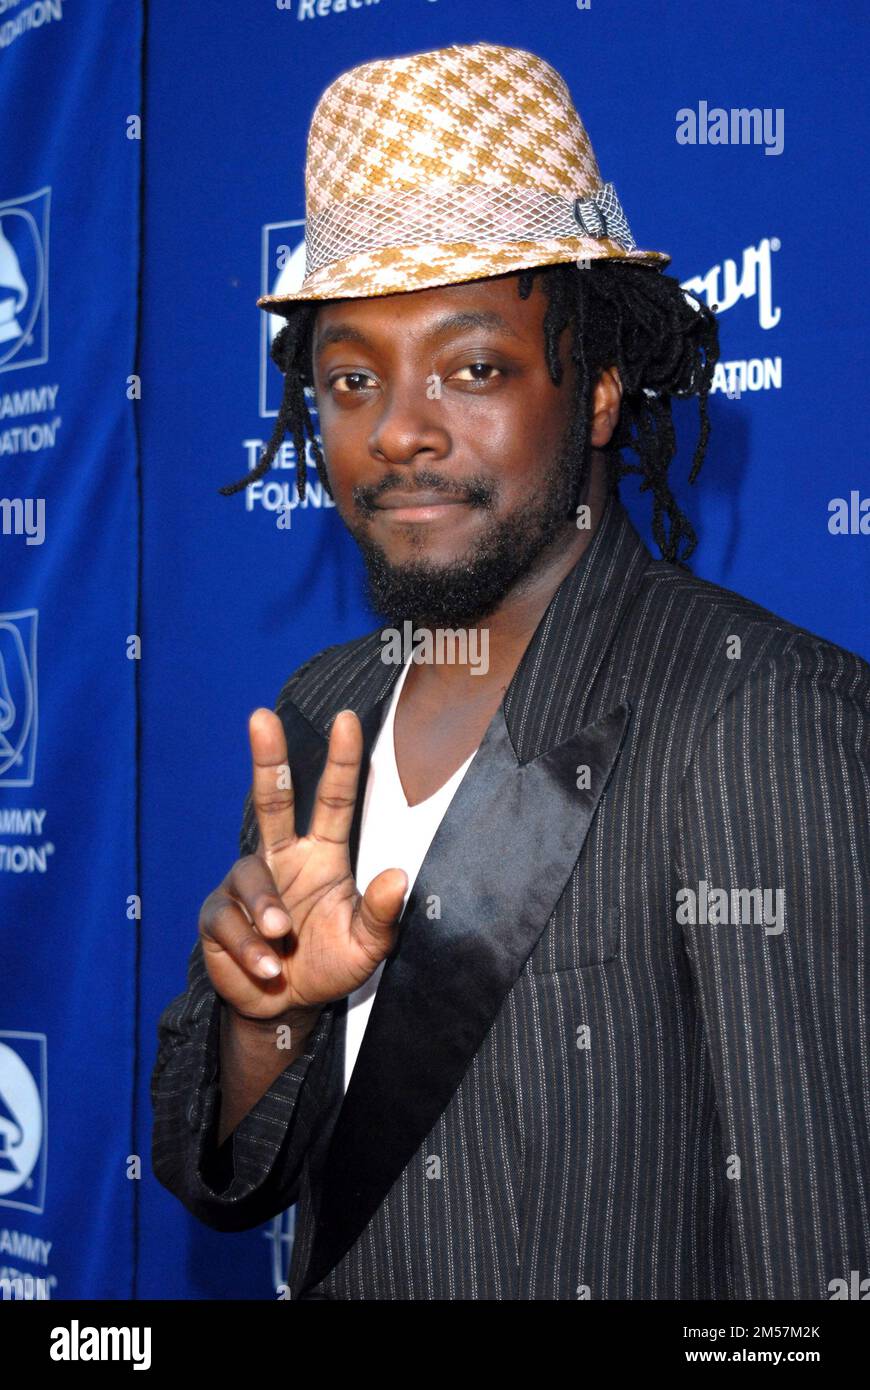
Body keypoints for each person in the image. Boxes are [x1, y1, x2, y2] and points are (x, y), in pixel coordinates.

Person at [151, 40, 870, 1300]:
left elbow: (820, 1262)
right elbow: (218, 1174)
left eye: (472, 367)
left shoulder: (759, 716)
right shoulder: (326, 709)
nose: (401, 429)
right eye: (352, 378)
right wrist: (275, 1009)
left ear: (596, 387)